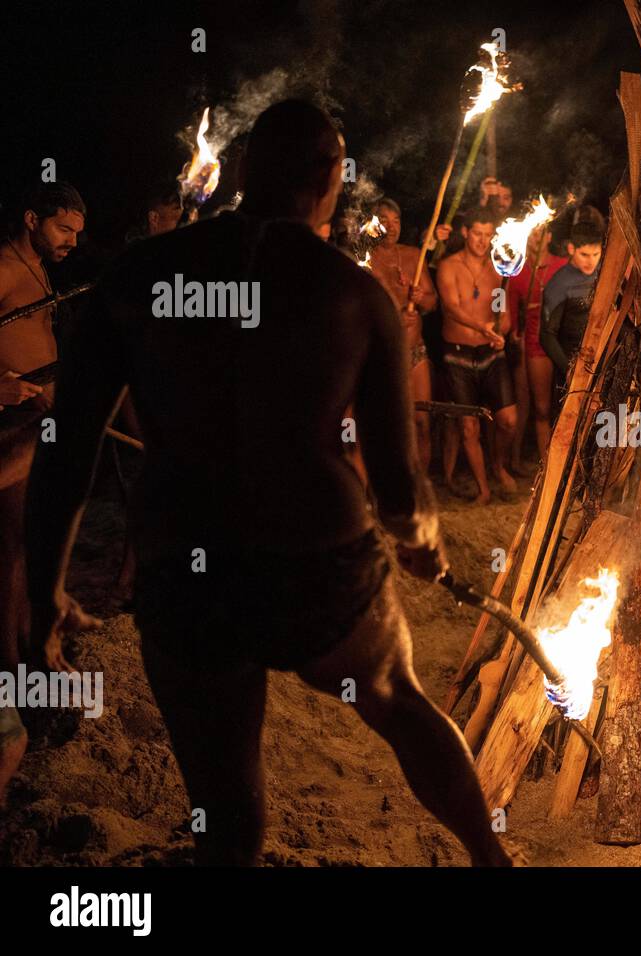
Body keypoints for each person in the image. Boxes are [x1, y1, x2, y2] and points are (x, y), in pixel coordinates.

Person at [24, 100, 512, 866]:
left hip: (189, 570)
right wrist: (422, 544)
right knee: (395, 699)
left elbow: (67, 449)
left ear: (243, 171)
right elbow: (398, 483)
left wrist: (46, 589)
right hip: (319, 562)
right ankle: (490, 856)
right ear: (329, 177)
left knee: (228, 815)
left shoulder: (141, 275)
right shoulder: (354, 295)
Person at [0, 182, 102, 802]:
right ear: (32, 217)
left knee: (26, 554)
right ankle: (11, 680)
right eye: (64, 229)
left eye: (78, 234)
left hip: (33, 429)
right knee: (11, 555)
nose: (71, 242)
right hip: (5, 436)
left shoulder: (39, 265)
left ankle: (26, 666)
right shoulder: (5, 266)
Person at [436, 207, 518, 504]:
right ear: (466, 233)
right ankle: (483, 488)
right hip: (457, 354)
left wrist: (500, 333)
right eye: (478, 234)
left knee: (508, 419)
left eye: (488, 235)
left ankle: (498, 464)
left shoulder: (498, 270)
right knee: (468, 425)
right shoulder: (449, 266)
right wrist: (483, 328)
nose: (483, 241)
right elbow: (452, 307)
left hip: (489, 354)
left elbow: (503, 313)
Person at [369, 197, 440, 472]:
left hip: (415, 351)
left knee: (422, 420)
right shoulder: (366, 260)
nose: (392, 226)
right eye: (384, 220)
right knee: (387, 423)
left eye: (396, 220)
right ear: (374, 225)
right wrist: (395, 315)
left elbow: (433, 304)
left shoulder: (414, 255)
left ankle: (419, 486)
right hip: (382, 355)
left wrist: (419, 298)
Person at [507, 221, 568, 462]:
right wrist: (514, 333)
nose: (536, 239)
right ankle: (545, 465)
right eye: (532, 234)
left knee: (563, 403)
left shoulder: (563, 266)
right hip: (535, 342)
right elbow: (509, 311)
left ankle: (564, 462)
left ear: (550, 235)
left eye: (541, 233)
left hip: (563, 341)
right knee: (540, 407)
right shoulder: (518, 271)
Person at [539, 224, 602, 377]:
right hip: (571, 363)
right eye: (584, 254)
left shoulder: (605, 274)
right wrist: (568, 369)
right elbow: (547, 335)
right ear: (571, 249)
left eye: (596, 254)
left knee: (619, 402)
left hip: (603, 360)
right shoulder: (559, 283)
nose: (591, 261)